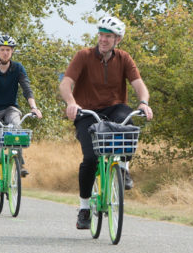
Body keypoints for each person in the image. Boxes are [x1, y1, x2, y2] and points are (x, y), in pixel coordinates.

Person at [59, 15, 154, 229]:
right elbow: (65, 84)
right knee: (90, 159)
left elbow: (139, 84)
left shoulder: (124, 58)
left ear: (117, 39)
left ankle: (123, 167)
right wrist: (71, 102)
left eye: (108, 36)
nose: (103, 39)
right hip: (86, 111)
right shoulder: (83, 56)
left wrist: (144, 102)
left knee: (127, 126)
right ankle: (84, 208)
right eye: (101, 35)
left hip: (114, 108)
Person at [0, 34, 42, 203]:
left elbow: (26, 88)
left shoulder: (18, 68)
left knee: (16, 127)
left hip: (10, 108)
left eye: (8, 50)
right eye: (2, 50)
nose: (5, 53)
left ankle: (19, 162)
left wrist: (33, 107)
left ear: (12, 52)